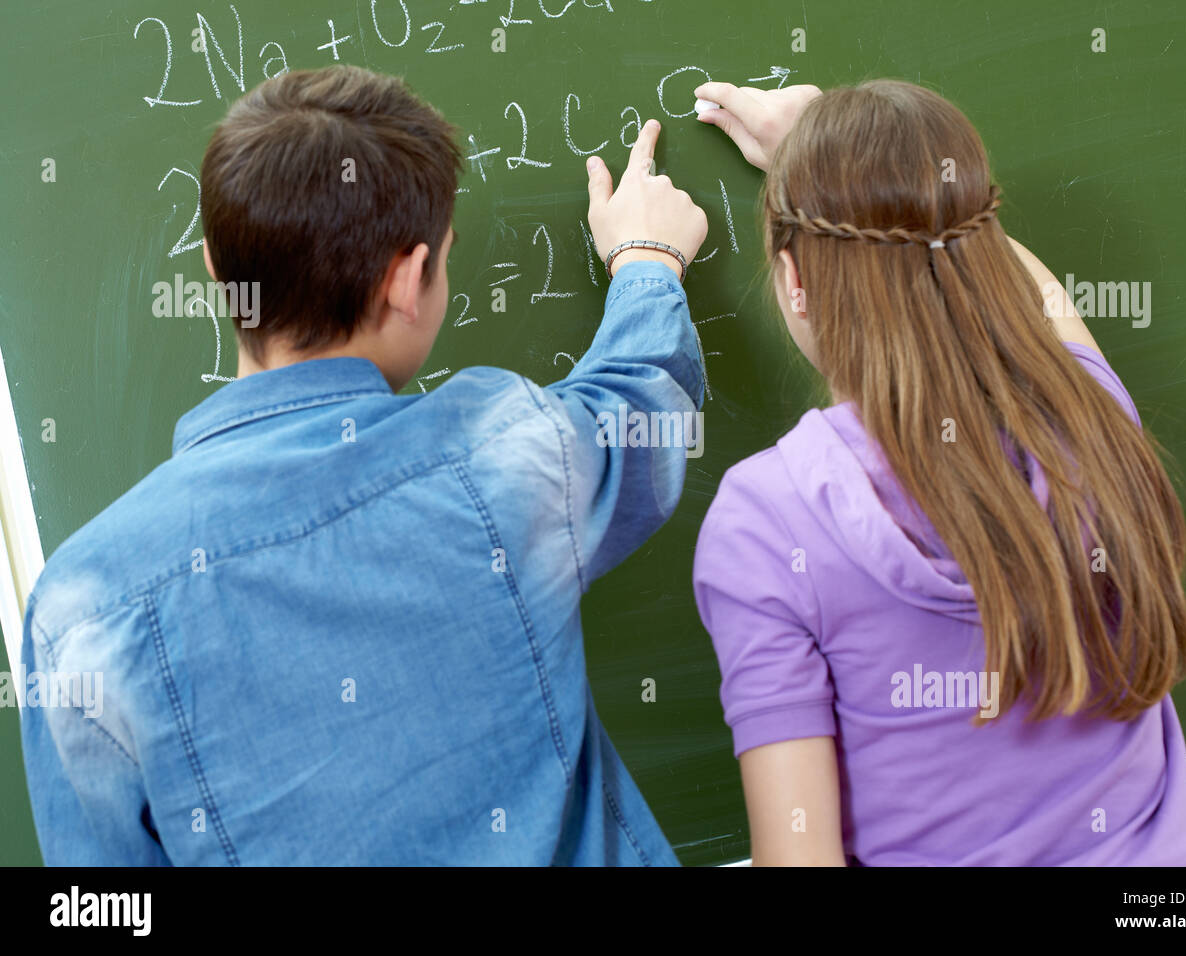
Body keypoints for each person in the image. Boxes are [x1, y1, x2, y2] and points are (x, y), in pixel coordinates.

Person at [20, 65, 706, 865]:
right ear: (409, 280)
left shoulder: (82, 611)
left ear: (215, 267)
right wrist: (648, 260)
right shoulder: (500, 456)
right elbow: (647, 411)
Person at [691, 79, 1186, 866]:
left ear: (794, 283)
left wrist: (841, 174)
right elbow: (1035, 295)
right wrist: (882, 170)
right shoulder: (1092, 425)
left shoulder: (768, 521)